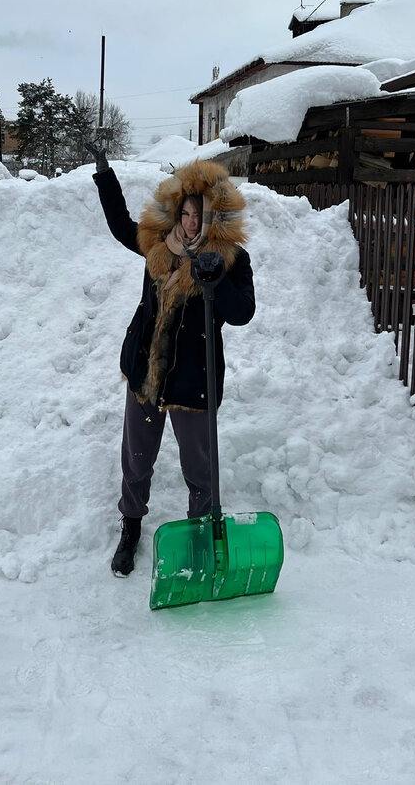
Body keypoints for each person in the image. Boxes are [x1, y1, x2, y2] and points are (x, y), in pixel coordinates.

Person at [85, 142, 255, 576]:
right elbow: (122, 226)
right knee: (136, 459)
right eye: (185, 213)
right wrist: (105, 176)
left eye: (199, 215)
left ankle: (201, 531)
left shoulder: (232, 260)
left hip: (194, 381)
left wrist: (216, 280)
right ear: (177, 213)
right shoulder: (159, 247)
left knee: (200, 467)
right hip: (147, 372)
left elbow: (242, 314)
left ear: (213, 216)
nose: (191, 222)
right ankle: (131, 527)